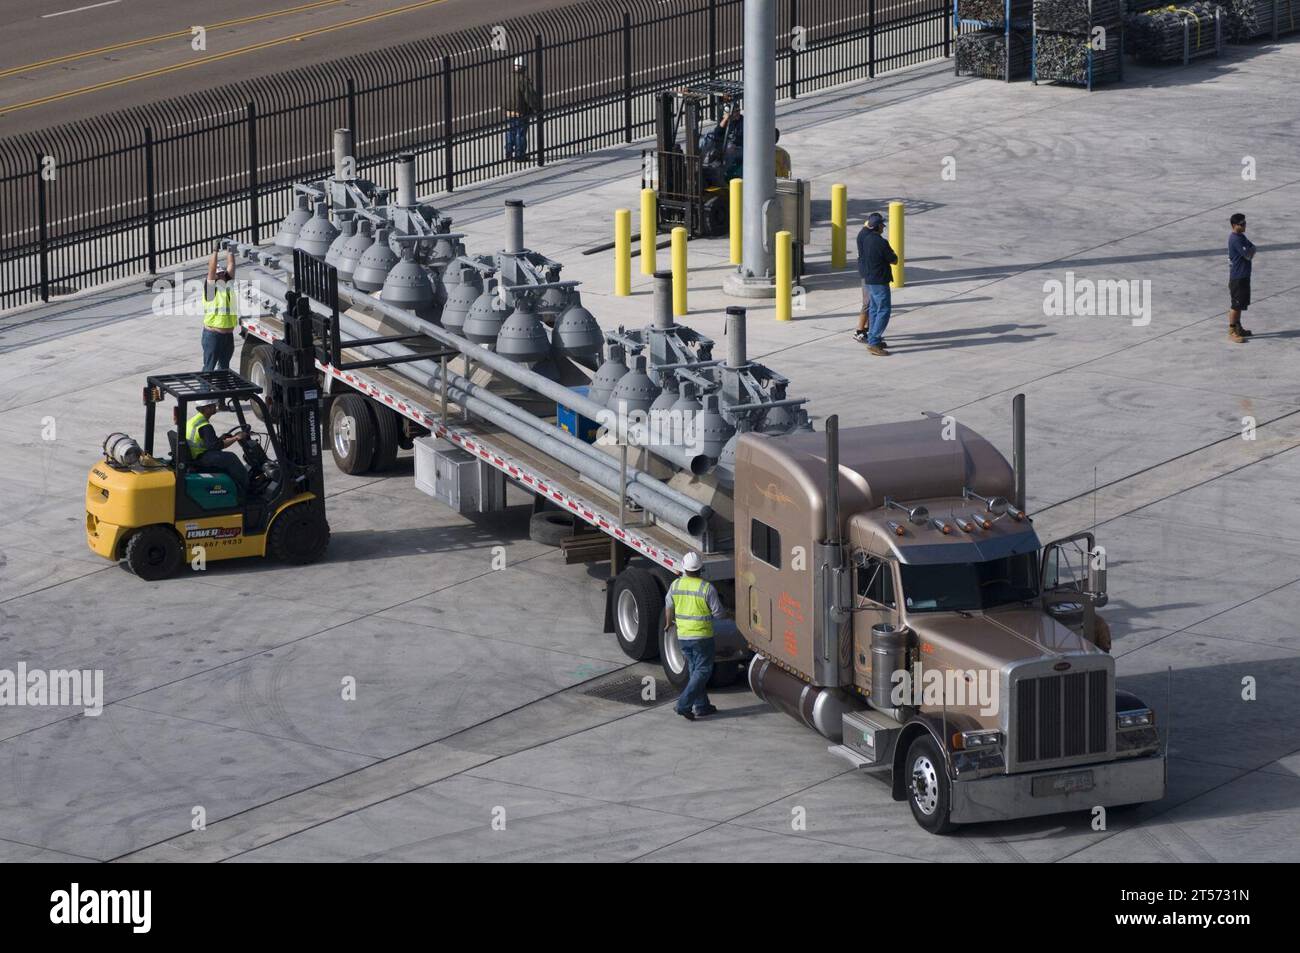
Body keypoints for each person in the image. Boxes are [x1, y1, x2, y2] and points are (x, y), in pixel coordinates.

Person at [663, 551, 727, 721]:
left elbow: (668, 605)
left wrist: (668, 623)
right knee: (703, 671)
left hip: (683, 636)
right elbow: (719, 614)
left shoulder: (675, 585)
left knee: (694, 670)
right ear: (701, 569)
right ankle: (683, 705)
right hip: (702, 637)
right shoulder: (707, 588)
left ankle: (702, 706)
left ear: (684, 568)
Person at [853, 212, 898, 356]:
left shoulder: (865, 238)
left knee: (873, 308)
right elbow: (893, 259)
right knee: (884, 310)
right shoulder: (880, 242)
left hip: (869, 279)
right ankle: (873, 341)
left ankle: (873, 338)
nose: (883, 227)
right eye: (882, 225)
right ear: (877, 227)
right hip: (879, 280)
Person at [185, 401, 250, 495]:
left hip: (196, 454)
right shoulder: (205, 426)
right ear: (206, 408)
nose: (216, 406)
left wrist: (221, 438)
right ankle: (245, 489)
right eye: (213, 405)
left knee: (225, 457)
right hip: (201, 457)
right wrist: (236, 438)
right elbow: (215, 446)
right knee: (231, 458)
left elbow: (207, 441)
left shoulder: (194, 420)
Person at [202, 247, 238, 372]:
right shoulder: (211, 290)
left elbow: (231, 264)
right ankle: (205, 391)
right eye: (219, 274)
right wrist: (215, 251)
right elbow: (211, 270)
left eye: (223, 273)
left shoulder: (228, 287)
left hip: (228, 336)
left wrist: (230, 249)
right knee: (209, 369)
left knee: (224, 369)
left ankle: (222, 391)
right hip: (213, 336)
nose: (223, 274)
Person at [502, 56, 540, 162]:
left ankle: (508, 151)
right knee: (521, 133)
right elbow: (529, 97)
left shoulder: (507, 78)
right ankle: (520, 154)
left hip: (509, 110)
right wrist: (536, 108)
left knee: (511, 131)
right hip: (521, 110)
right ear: (524, 68)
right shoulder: (523, 80)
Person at [1227, 212, 1256, 344]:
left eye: (1245, 223)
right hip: (1237, 277)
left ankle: (1238, 327)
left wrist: (1250, 250)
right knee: (1236, 305)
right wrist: (1250, 251)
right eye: (1241, 224)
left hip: (1244, 276)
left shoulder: (1241, 236)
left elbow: (1253, 247)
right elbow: (1248, 254)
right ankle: (1232, 331)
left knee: (1241, 304)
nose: (1245, 225)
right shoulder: (1235, 239)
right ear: (1234, 225)